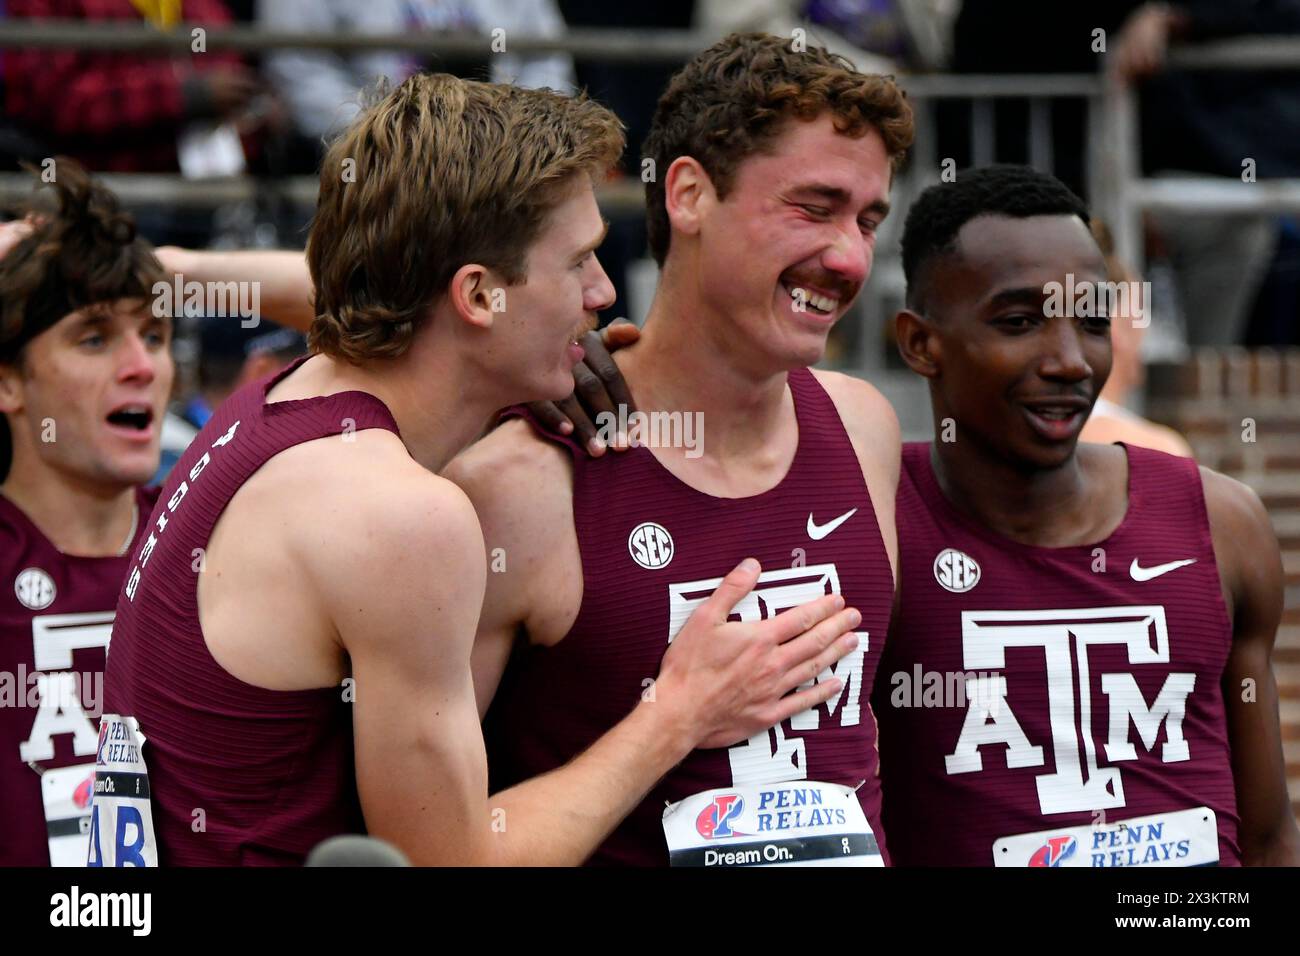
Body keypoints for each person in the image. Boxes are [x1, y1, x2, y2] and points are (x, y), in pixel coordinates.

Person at [97, 72, 859, 866]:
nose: (604, 294)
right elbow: (454, 863)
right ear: (478, 296)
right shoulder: (401, 516)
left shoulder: (293, 392)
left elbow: (358, 284)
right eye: (580, 262)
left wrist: (539, 360)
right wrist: (678, 712)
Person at [444, 32, 913, 866]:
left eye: (867, 220)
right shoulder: (520, 481)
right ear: (690, 195)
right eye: (813, 207)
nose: (850, 258)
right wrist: (673, 719)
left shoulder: (864, 425)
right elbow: (428, 848)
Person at [873, 164, 1300, 866]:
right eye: (1019, 322)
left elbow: (1270, 834)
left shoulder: (1222, 523)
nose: (1070, 360)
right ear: (921, 343)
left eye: (1093, 321)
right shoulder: (875, 525)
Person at [0, 161, 173, 866]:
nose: (141, 366)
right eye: (95, 337)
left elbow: (402, 331)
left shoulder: (212, 537)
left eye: (156, 335)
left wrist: (177, 267)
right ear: (8, 383)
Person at [1077, 219, 1192, 456]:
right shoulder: (1158, 449)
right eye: (1140, 309)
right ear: (1115, 325)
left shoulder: (1017, 435)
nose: (1145, 329)